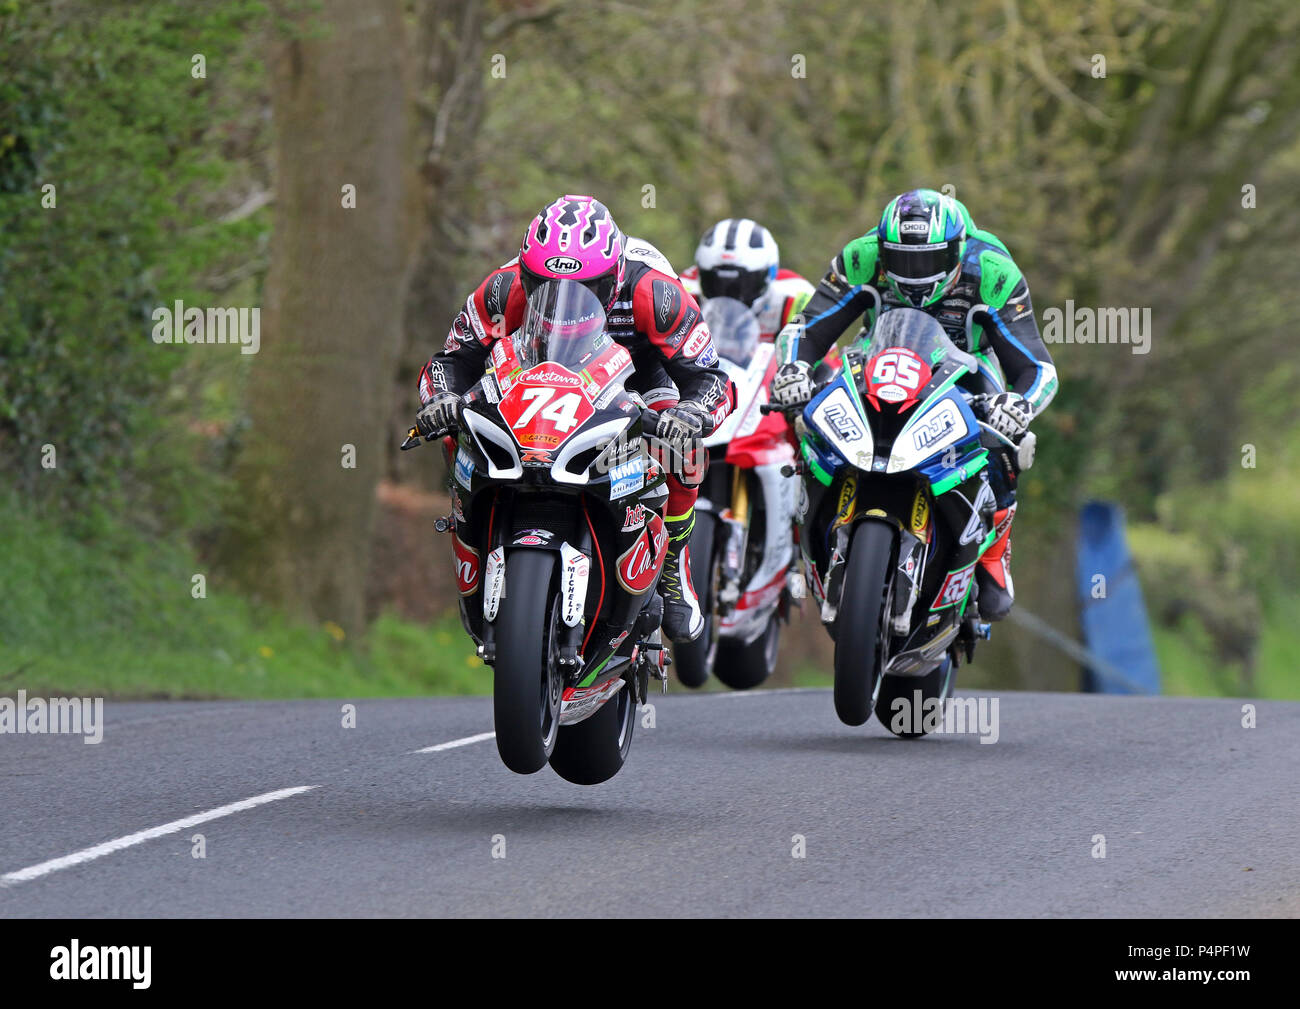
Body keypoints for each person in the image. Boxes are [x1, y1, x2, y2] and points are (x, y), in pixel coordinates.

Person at [415, 195, 735, 642]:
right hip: (536, 369)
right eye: (543, 284)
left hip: (638, 377)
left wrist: (692, 412)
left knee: (680, 448)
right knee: (459, 426)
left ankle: (673, 567)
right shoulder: (502, 289)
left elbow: (712, 378)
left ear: (615, 275)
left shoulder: (655, 292)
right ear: (527, 273)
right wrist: (441, 399)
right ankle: (470, 533)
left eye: (590, 288)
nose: (567, 300)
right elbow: (451, 359)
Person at [771, 188, 1058, 620]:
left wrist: (1017, 404)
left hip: (968, 370)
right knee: (807, 412)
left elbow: (1037, 366)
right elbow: (807, 330)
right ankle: (806, 524)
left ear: (957, 251)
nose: (914, 274)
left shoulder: (994, 273)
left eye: (928, 261)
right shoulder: (860, 258)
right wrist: (792, 371)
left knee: (1007, 441)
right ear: (883, 251)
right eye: (901, 261)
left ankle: (993, 555)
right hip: (878, 357)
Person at [681, 217, 814, 338]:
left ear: (770, 273)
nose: (729, 297)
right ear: (699, 272)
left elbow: (821, 358)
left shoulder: (796, 298)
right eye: (715, 283)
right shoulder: (682, 293)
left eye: (743, 284)